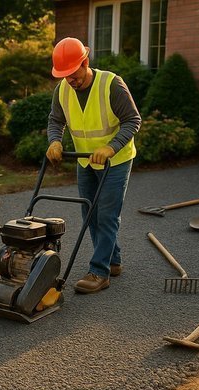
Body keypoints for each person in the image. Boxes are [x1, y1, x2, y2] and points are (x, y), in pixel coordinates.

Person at [46, 37, 141, 294]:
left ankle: (100, 271)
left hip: (116, 160)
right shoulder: (63, 90)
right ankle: (114, 260)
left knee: (107, 215)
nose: (70, 80)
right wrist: (55, 142)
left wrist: (111, 147)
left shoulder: (111, 84)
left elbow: (133, 120)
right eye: (64, 76)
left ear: (85, 62)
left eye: (73, 74)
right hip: (85, 159)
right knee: (90, 214)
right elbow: (56, 121)